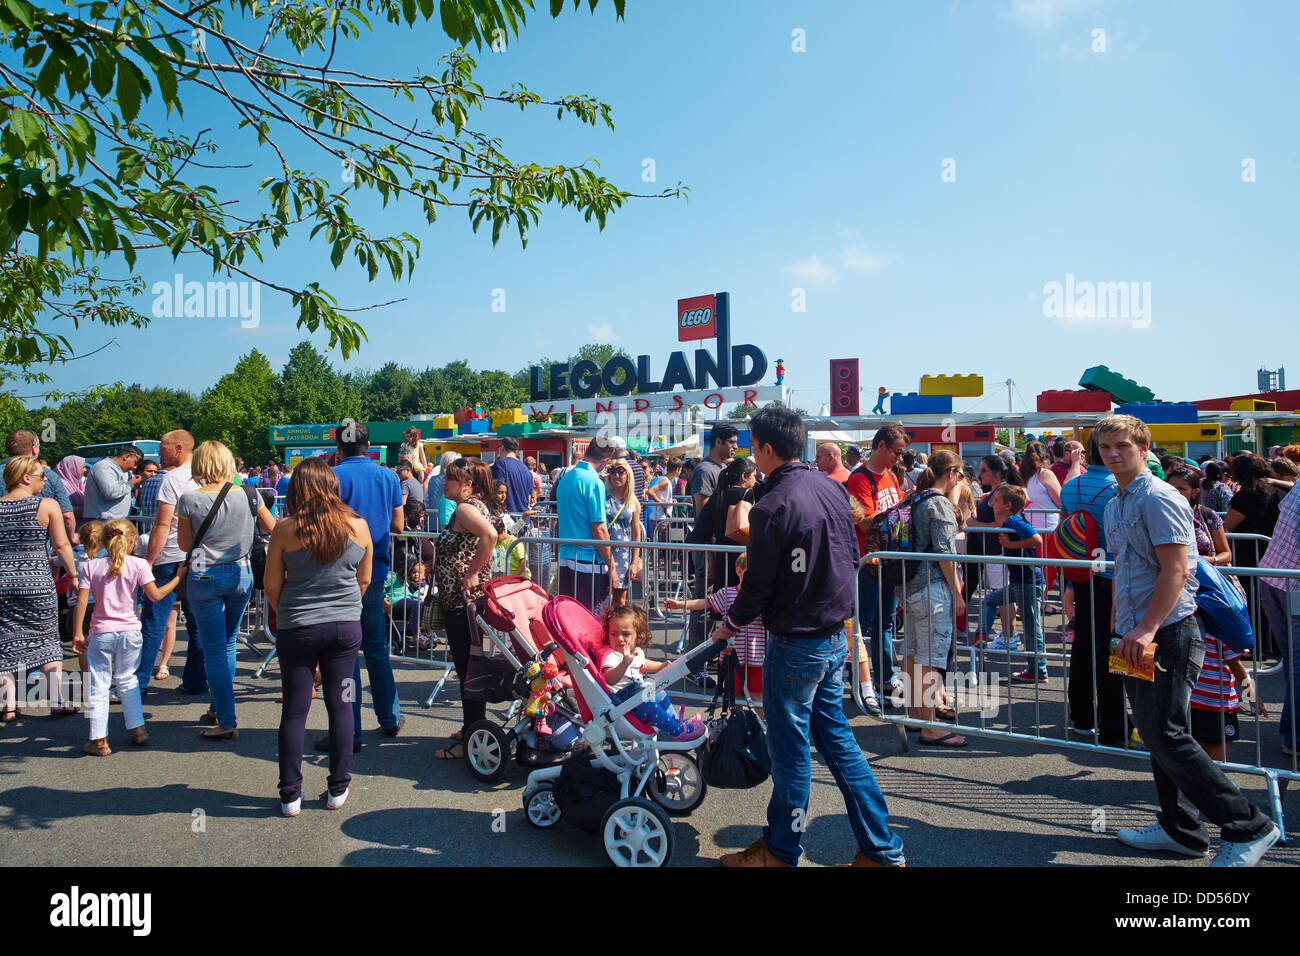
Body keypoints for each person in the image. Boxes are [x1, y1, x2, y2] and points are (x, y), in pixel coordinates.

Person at [713, 405, 905, 868]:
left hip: (795, 640)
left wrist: (731, 623)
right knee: (840, 747)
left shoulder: (772, 507)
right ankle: (882, 850)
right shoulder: (833, 489)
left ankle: (780, 851)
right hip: (833, 635)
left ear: (765, 447)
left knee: (792, 755)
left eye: (753, 446)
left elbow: (757, 584)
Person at [1101, 414, 1280, 866]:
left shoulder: (1159, 498)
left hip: (1167, 632)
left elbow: (1178, 570)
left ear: (1144, 449)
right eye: (1105, 447)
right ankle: (1180, 829)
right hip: (1133, 632)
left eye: (1122, 445)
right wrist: (1124, 627)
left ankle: (1248, 825)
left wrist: (1144, 628)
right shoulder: (1116, 501)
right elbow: (1128, 569)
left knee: (1168, 732)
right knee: (1155, 733)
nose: (1113, 453)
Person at [264, 457, 372, 816]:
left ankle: (290, 795)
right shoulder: (359, 525)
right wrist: (344, 607)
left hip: (298, 628)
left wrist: (291, 612)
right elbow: (365, 580)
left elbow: (271, 586)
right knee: (341, 704)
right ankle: (338, 788)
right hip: (344, 629)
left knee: (295, 710)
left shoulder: (284, 529)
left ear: (298, 488)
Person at [178, 441, 276, 741]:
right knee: (229, 642)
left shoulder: (189, 499)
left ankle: (227, 718)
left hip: (205, 575)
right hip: (242, 575)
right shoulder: (250, 493)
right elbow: (272, 526)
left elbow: (184, 545)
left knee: (215, 648)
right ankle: (219, 705)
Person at [323, 421, 404, 752]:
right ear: (368, 444)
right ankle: (389, 718)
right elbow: (398, 524)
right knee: (375, 648)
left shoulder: (334, 478)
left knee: (345, 654)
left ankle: (350, 731)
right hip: (377, 570)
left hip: (339, 573)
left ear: (340, 448)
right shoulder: (388, 476)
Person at [72, 519, 185, 755]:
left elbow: (82, 601)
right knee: (128, 679)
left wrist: (78, 633)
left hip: (101, 630)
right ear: (132, 539)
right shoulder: (138, 564)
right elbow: (154, 595)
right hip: (130, 631)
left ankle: (99, 739)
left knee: (99, 685)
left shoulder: (91, 566)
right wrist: (176, 579)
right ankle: (137, 728)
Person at [895, 450, 969, 743]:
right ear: (951, 472)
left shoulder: (914, 498)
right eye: (960, 475)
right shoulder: (938, 504)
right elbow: (945, 553)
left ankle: (916, 716)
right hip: (932, 588)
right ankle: (929, 725)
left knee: (913, 654)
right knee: (929, 656)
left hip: (910, 587)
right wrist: (958, 592)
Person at [0, 456, 81, 722]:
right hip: (36, 582)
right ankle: (57, 701)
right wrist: (73, 574)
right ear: (25, 478)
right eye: (40, 477)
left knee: (5, 643)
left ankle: (9, 705)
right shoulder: (46, 505)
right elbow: (62, 546)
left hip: (3, 582)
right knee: (47, 640)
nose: (44, 481)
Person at [1060, 434, 1126, 746]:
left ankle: (1082, 717)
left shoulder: (1071, 486)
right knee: (1113, 646)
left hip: (1082, 571)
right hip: (1114, 574)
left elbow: (1065, 524)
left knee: (1083, 645)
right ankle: (1114, 722)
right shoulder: (1119, 488)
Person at [432, 458, 499, 760]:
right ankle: (472, 729)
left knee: (468, 672)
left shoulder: (464, 509)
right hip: (464, 603)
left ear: (467, 484)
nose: (444, 483)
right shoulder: (473, 506)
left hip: (464, 604)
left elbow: (491, 536)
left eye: (451, 478)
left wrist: (472, 573)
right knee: (471, 670)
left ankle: (470, 737)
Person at [138, 430, 203, 696]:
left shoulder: (171, 480)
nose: (159, 453)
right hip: (197, 559)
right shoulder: (206, 479)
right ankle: (196, 681)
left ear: (178, 448)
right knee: (197, 623)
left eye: (163, 447)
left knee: (153, 622)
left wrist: (148, 561)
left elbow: (162, 525)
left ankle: (139, 682)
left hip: (169, 558)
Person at [847, 425, 909, 702]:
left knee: (885, 622)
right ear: (881, 446)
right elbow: (864, 521)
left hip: (887, 561)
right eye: (897, 452)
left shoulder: (891, 476)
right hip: (868, 563)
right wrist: (902, 508)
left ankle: (885, 676)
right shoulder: (860, 478)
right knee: (861, 625)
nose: (900, 458)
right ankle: (860, 681)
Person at [666, 552, 765, 713]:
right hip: (731, 656)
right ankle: (737, 728)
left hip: (756, 656)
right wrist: (679, 604)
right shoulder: (727, 593)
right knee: (734, 695)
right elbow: (705, 602)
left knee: (757, 695)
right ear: (739, 571)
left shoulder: (762, 596)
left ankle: (762, 732)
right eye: (752, 571)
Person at [601, 603, 704, 741]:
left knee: (659, 692)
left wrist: (660, 666)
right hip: (624, 703)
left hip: (636, 698)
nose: (619, 638)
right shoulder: (612, 655)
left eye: (625, 634)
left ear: (638, 637)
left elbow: (643, 663)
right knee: (647, 701)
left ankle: (676, 722)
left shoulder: (636, 652)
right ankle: (677, 732)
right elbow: (609, 679)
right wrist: (624, 664)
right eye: (614, 634)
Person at [979, 486, 1046, 683]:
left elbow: (1036, 539)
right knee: (990, 600)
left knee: (1032, 627)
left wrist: (1010, 545)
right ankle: (982, 635)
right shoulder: (1009, 520)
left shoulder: (1013, 519)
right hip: (1019, 581)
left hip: (1028, 581)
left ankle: (1038, 669)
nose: (992, 504)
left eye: (997, 500)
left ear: (1008, 506)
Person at [1256, 480, 1300, 759]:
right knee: (1297, 664)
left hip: (1275, 575)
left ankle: (1292, 732)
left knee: (1293, 662)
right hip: (1291, 583)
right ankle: (1294, 736)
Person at [555, 436, 618, 612]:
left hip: (567, 557)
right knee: (591, 619)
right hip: (588, 561)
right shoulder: (594, 483)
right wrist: (611, 566)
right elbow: (599, 528)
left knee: (569, 618)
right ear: (605, 460)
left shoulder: (566, 478)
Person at [4, 430, 76, 542]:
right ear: (34, 449)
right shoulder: (48, 475)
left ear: (7, 450)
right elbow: (67, 516)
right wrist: (71, 537)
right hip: (38, 550)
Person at [603, 459, 642, 610]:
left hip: (623, 555)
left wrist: (634, 562)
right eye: (613, 471)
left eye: (621, 472)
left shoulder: (633, 502)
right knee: (601, 598)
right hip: (603, 553)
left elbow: (636, 534)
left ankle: (614, 631)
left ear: (628, 475)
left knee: (620, 602)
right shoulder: (602, 496)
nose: (616, 475)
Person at [83, 445, 145, 520]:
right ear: (127, 456)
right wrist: (131, 484)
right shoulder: (103, 467)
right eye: (135, 463)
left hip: (115, 521)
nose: (135, 467)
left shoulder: (123, 471)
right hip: (101, 522)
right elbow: (111, 492)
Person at [1019, 441, 1062, 534]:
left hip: (1029, 525)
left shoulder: (1022, 475)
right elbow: (1060, 501)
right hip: (1048, 525)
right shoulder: (1045, 474)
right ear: (1046, 456)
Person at [490, 435, 533, 514]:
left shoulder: (500, 464)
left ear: (502, 447)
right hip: (523, 518)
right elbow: (529, 496)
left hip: (507, 516)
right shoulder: (526, 469)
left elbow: (496, 490)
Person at [428, 451, 458, 532]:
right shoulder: (454, 481)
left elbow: (427, 500)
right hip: (449, 525)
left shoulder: (433, 479)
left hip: (432, 522)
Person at [56, 455, 87, 527]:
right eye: (83, 467)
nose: (85, 470)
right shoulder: (61, 485)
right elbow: (64, 509)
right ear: (73, 468)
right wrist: (85, 509)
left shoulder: (78, 483)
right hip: (69, 528)